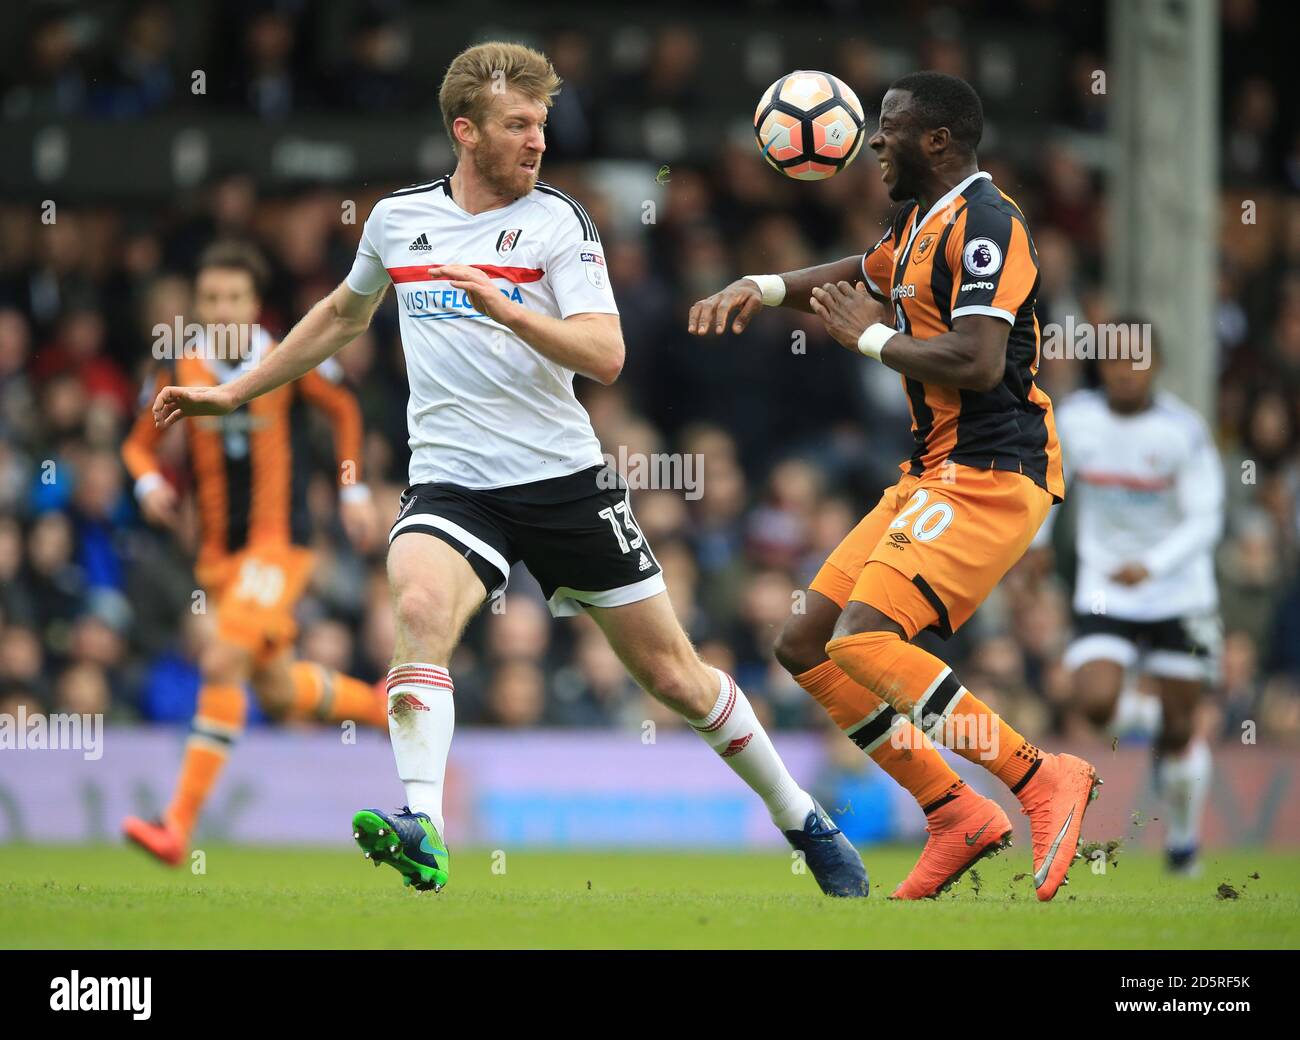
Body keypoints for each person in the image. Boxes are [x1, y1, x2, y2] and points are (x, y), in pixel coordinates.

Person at [149, 42, 867, 897]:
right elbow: (342, 314)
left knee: (674, 676)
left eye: (542, 125)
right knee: (415, 604)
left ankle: (802, 819)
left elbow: (606, 355)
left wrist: (506, 306)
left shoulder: (559, 223)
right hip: (453, 482)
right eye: (518, 125)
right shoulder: (397, 221)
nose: (537, 142)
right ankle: (423, 824)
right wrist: (236, 393)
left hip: (564, 479)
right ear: (466, 131)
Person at [689, 71, 1098, 901]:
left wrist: (869, 340)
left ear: (938, 140)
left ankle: (1036, 775)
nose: (872, 142)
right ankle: (953, 811)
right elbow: (861, 274)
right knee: (804, 642)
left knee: (866, 641)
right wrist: (766, 288)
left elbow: (981, 361)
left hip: (993, 472)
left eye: (888, 127)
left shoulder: (989, 223)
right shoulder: (919, 224)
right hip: (930, 475)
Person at [121, 240, 385, 865]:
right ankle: (376, 707)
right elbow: (138, 446)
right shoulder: (179, 369)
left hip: (280, 546)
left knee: (221, 660)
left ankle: (176, 824)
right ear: (197, 305)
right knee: (274, 691)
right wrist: (149, 481)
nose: (222, 308)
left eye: (233, 297)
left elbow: (345, 407)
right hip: (219, 559)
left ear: (254, 304)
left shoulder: (287, 359)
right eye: (211, 298)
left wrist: (353, 489)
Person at [1040, 330, 1221, 875]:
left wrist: (1155, 564)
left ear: (1157, 365)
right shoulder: (1075, 419)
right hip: (1106, 586)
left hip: (1179, 590)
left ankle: (1183, 845)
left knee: (1178, 731)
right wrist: (1038, 545)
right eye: (1114, 361)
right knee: (1093, 701)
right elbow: (1048, 481)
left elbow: (1206, 518)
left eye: (1135, 362)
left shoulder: (1183, 432)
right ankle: (1160, 715)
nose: (1124, 371)